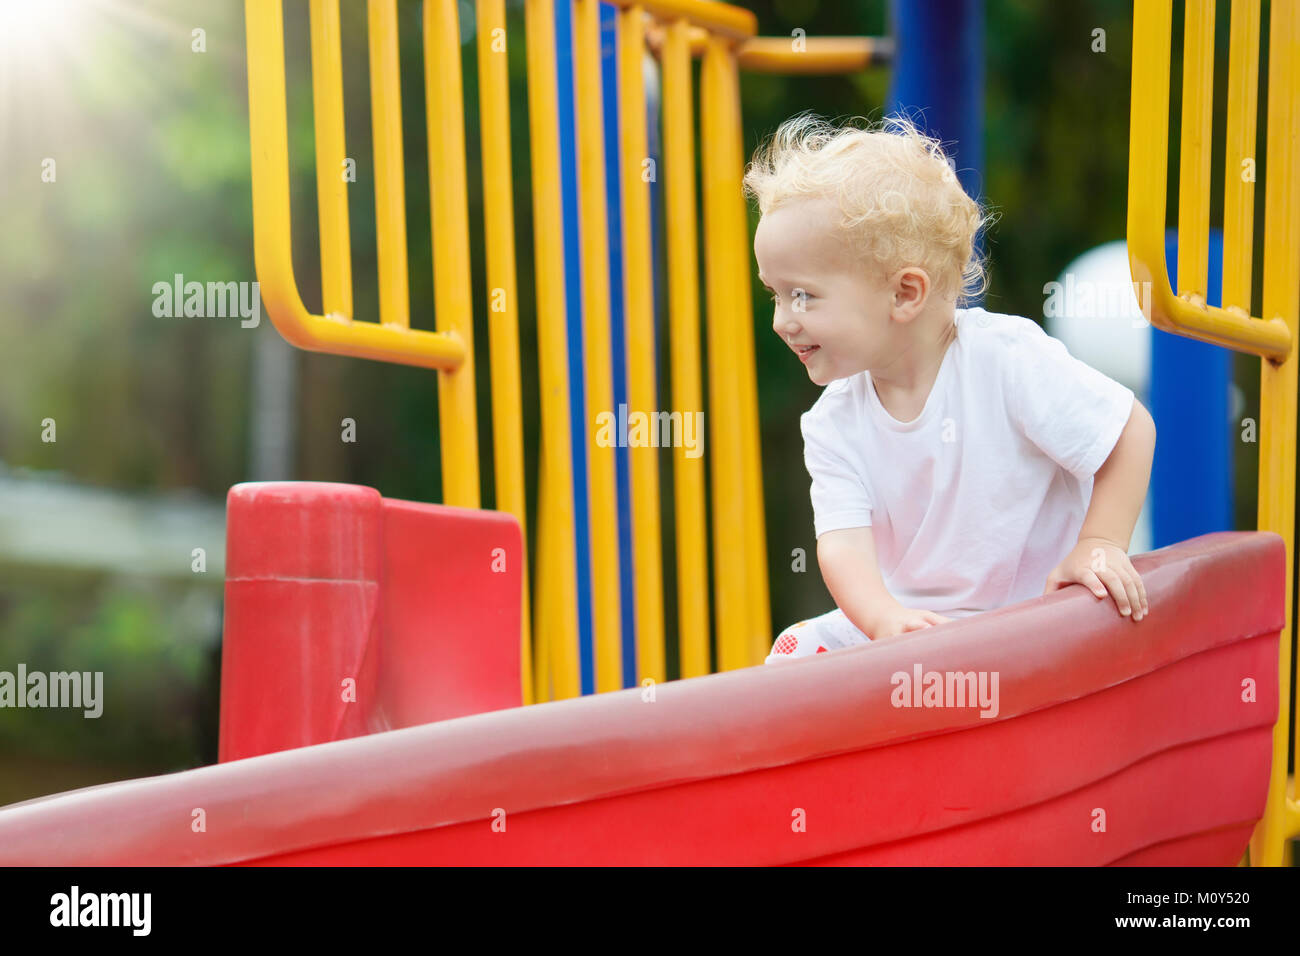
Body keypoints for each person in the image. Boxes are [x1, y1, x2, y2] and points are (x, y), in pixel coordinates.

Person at [744, 113, 1156, 664]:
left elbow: (1127, 429)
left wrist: (1099, 544)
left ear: (904, 293)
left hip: (1038, 618)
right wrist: (883, 618)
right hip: (917, 624)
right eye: (775, 294)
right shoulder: (832, 423)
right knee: (794, 653)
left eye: (803, 296)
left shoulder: (1004, 361)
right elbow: (843, 544)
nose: (781, 320)